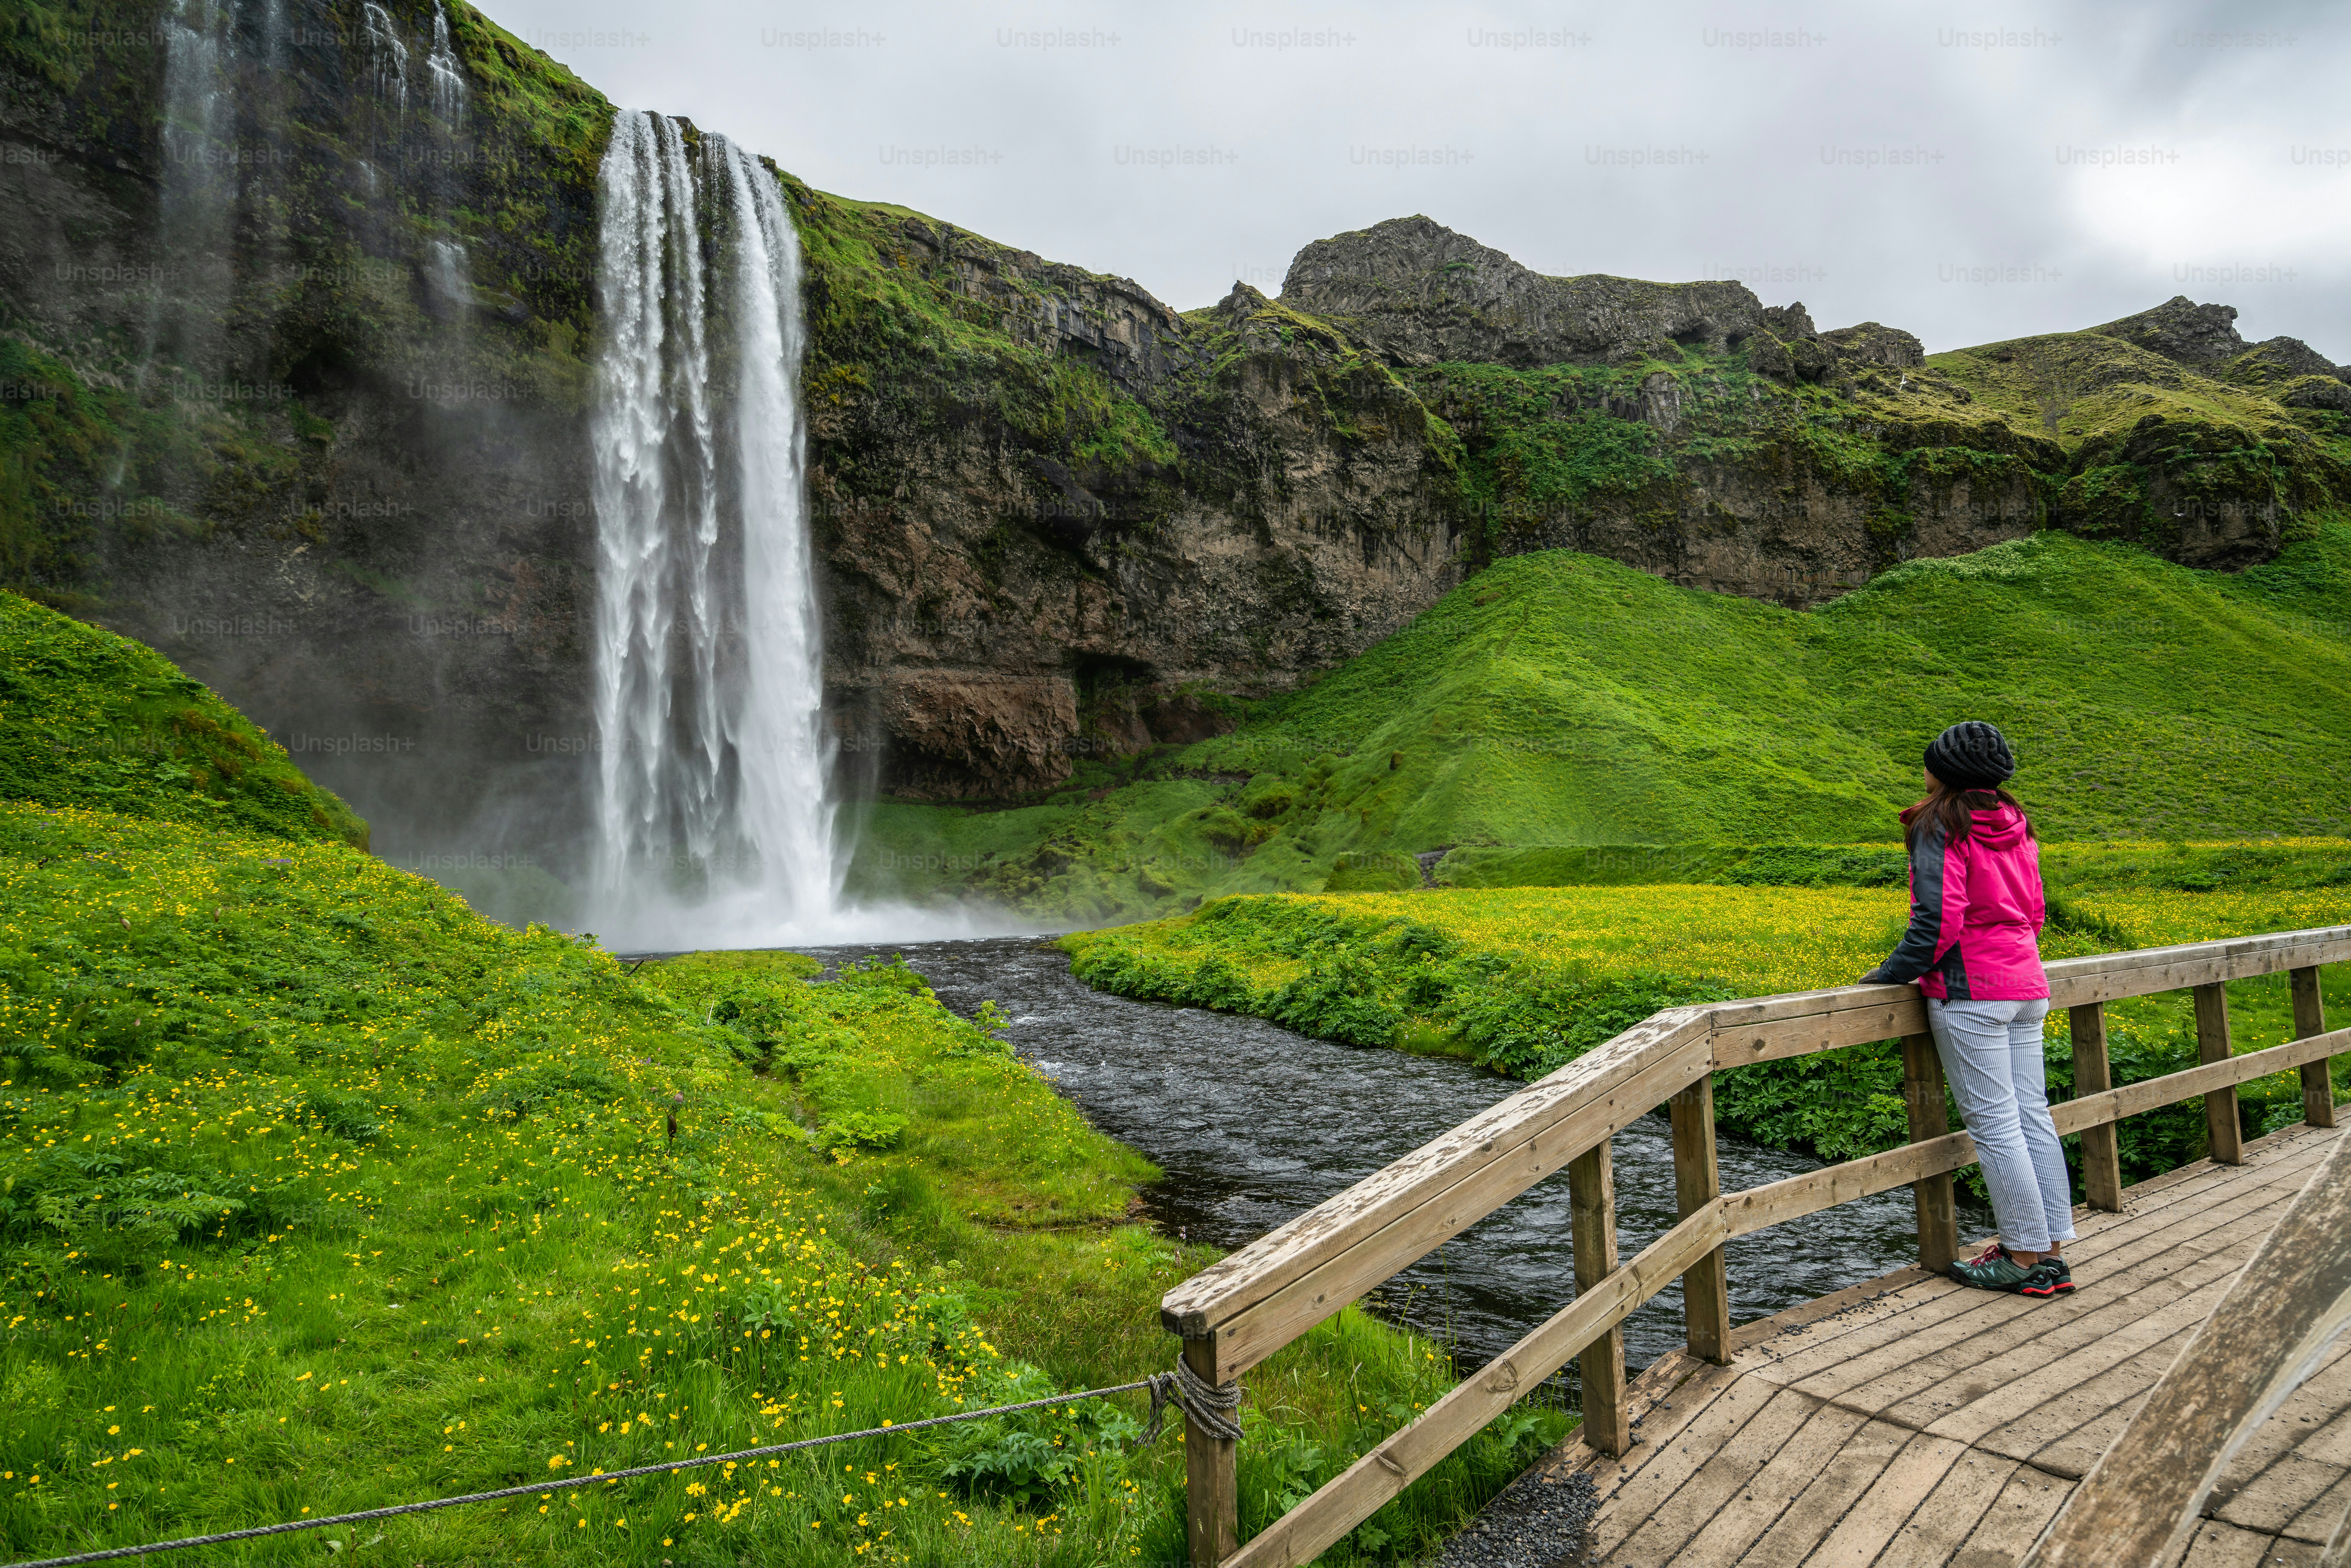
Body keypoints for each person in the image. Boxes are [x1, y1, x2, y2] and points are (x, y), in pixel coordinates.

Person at [1861, 720, 2075, 1298]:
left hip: (1972, 991)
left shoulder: (1939, 825)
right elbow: (2033, 912)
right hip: (2026, 983)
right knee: (2032, 1116)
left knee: (1996, 1127)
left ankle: (2023, 1259)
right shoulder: (2013, 821)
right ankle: (2048, 1253)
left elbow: (1937, 919)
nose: (1923, 773)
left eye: (1928, 764)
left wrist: (1890, 974)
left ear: (1943, 773)